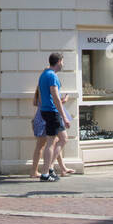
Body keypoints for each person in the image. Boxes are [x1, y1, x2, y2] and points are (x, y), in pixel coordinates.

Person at [37, 53, 75, 182]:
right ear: (58, 61)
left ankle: (49, 169)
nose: (63, 64)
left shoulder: (43, 75)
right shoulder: (52, 76)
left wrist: (47, 107)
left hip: (47, 111)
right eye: (62, 61)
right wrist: (64, 117)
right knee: (53, 142)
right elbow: (55, 96)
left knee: (61, 139)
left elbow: (42, 97)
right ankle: (46, 172)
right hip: (52, 112)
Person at [29, 81, 71, 178]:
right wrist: (63, 101)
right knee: (45, 145)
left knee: (51, 144)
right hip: (45, 120)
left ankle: (61, 168)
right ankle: (45, 169)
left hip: (40, 119)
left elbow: (37, 103)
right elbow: (51, 103)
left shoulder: (40, 89)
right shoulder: (44, 89)